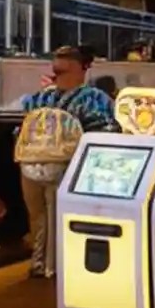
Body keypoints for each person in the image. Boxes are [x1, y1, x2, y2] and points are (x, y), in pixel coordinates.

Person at [18, 47, 116, 277]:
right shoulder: (88, 98)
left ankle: (46, 262)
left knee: (45, 216)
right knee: (49, 215)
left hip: (47, 163)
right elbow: (107, 133)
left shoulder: (41, 98)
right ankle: (48, 263)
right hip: (52, 162)